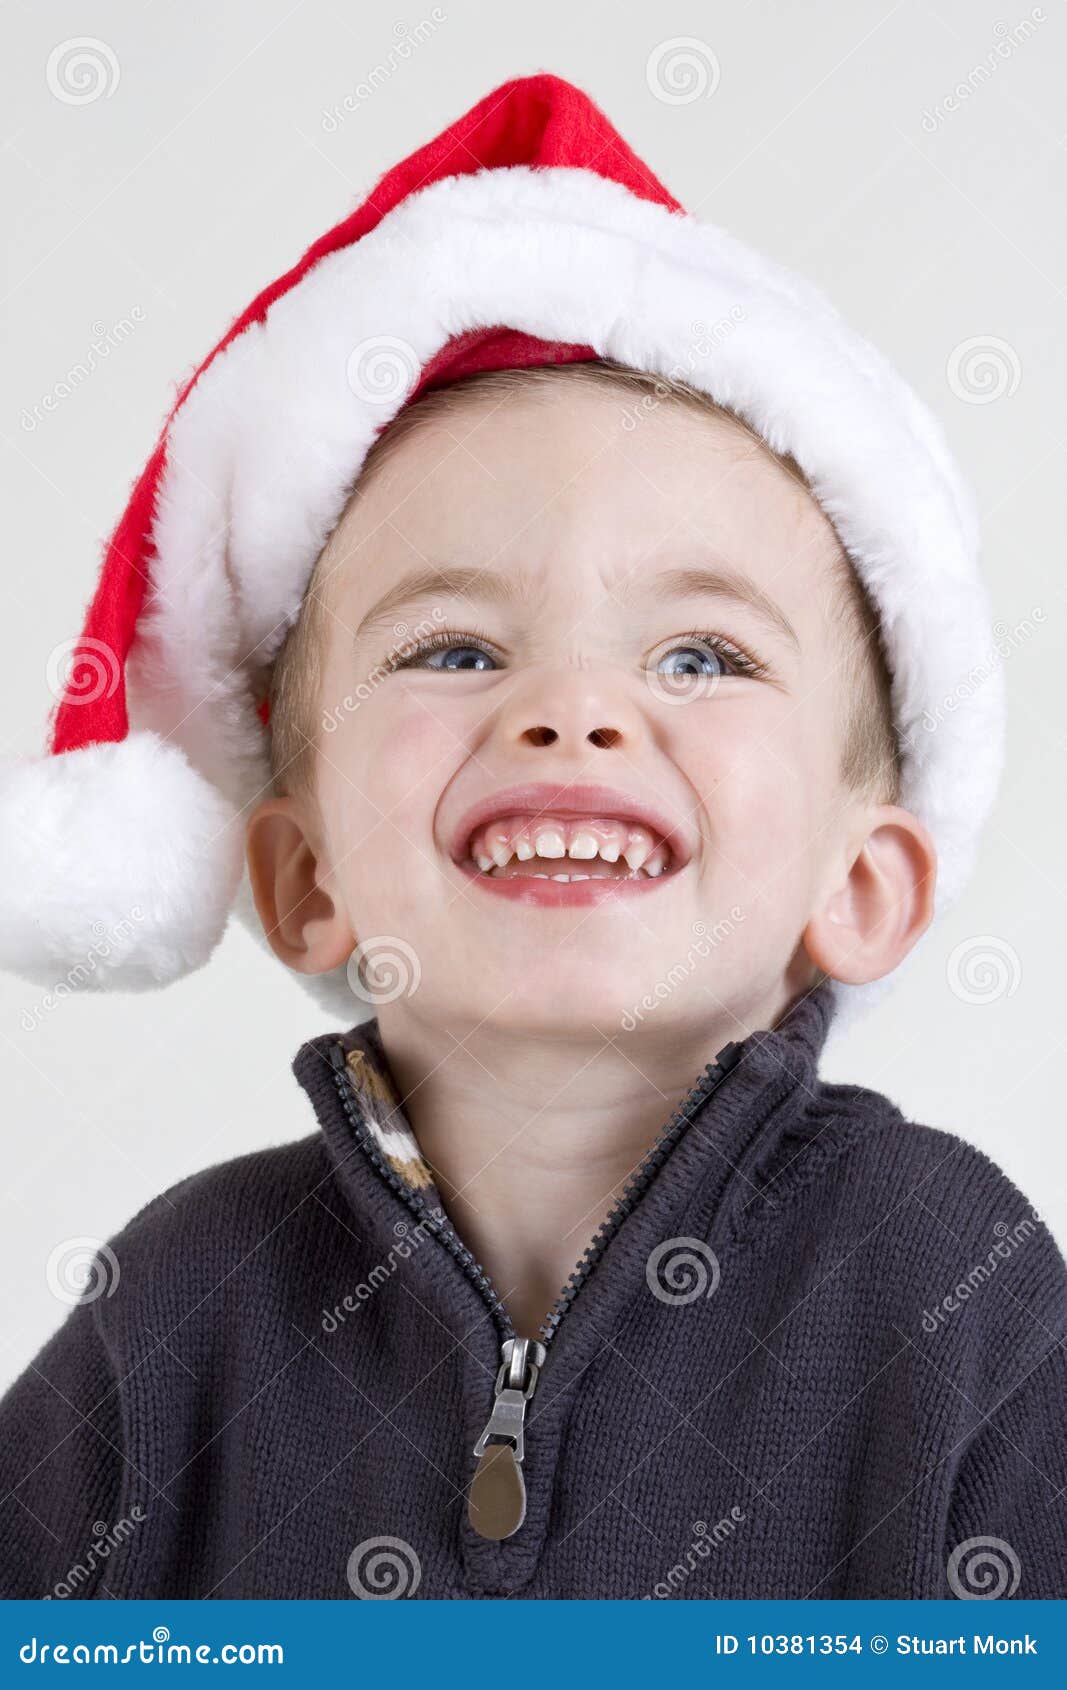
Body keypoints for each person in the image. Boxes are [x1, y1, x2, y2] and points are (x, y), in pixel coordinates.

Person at [0, 74, 1062, 1602]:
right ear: (301, 879)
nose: (572, 708)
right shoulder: (178, 1307)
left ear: (865, 882)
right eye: (452, 650)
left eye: (699, 657)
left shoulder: (949, 1283)